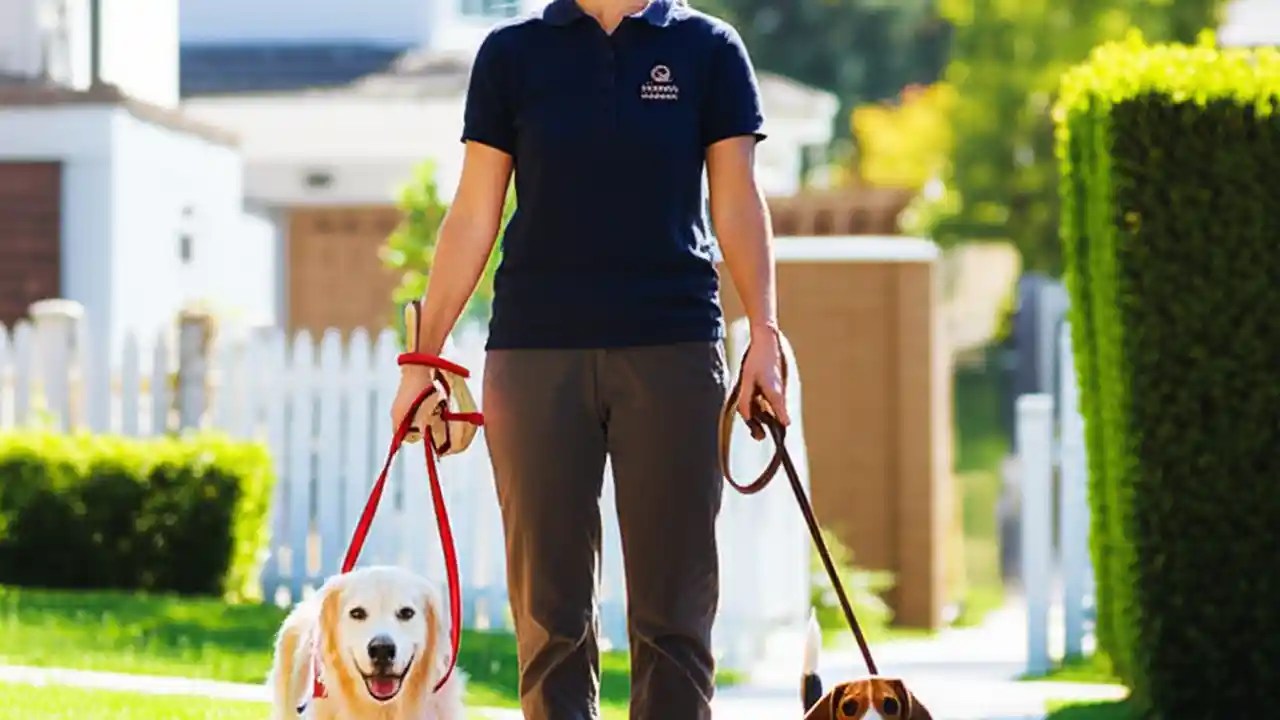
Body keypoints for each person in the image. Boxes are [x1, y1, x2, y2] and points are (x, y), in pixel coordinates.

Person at [390, 0, 787, 717]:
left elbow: (736, 197)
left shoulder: (708, 48)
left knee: (675, 618)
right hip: (536, 352)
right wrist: (424, 358)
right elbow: (474, 210)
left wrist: (764, 334)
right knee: (550, 621)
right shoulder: (512, 54)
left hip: (673, 349)